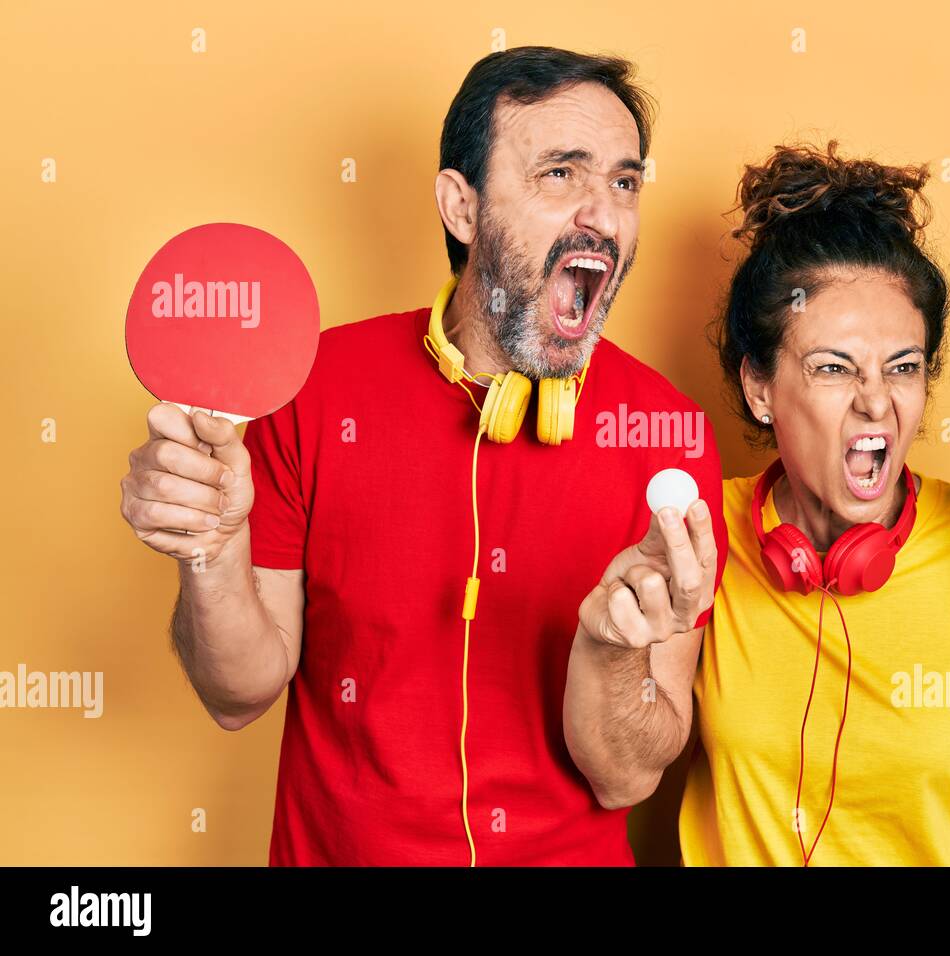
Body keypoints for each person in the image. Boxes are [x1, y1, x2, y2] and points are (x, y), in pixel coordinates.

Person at [118, 46, 726, 866]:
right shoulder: (312, 390)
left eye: (623, 182)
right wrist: (213, 550)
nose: (605, 216)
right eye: (560, 174)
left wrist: (614, 652)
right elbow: (237, 695)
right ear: (461, 207)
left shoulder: (669, 439)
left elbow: (625, 781)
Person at [677, 141, 950, 866]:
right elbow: (619, 765)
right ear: (760, 388)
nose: (876, 401)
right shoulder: (699, 540)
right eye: (833, 368)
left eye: (903, 368)